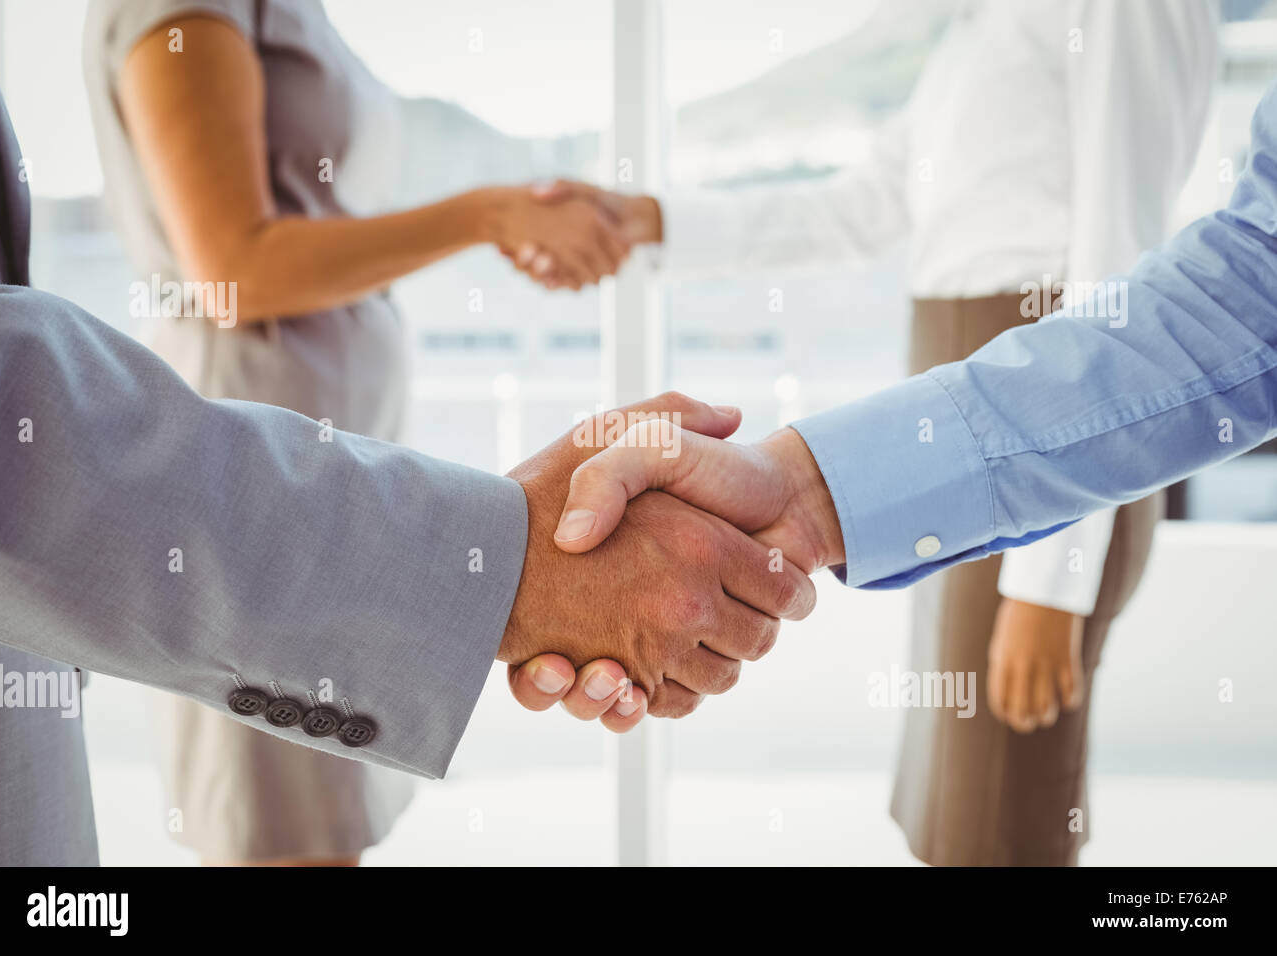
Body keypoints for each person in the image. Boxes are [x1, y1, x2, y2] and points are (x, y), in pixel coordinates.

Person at [0, 29, 813, 865]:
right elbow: (231, 264)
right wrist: (507, 558)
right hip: (247, 485)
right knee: (288, 834)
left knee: (320, 829)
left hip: (317, 491)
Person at [510, 0, 1219, 865]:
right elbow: (859, 209)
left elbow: (1121, 260)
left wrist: (1051, 580)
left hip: (1048, 435)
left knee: (1001, 823)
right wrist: (648, 220)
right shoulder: (972, 35)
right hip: (963, 415)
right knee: (956, 812)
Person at [81, 0, 628, 866]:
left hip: (323, 438)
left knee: (321, 802)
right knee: (281, 823)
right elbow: (232, 264)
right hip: (258, 449)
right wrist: (487, 216)